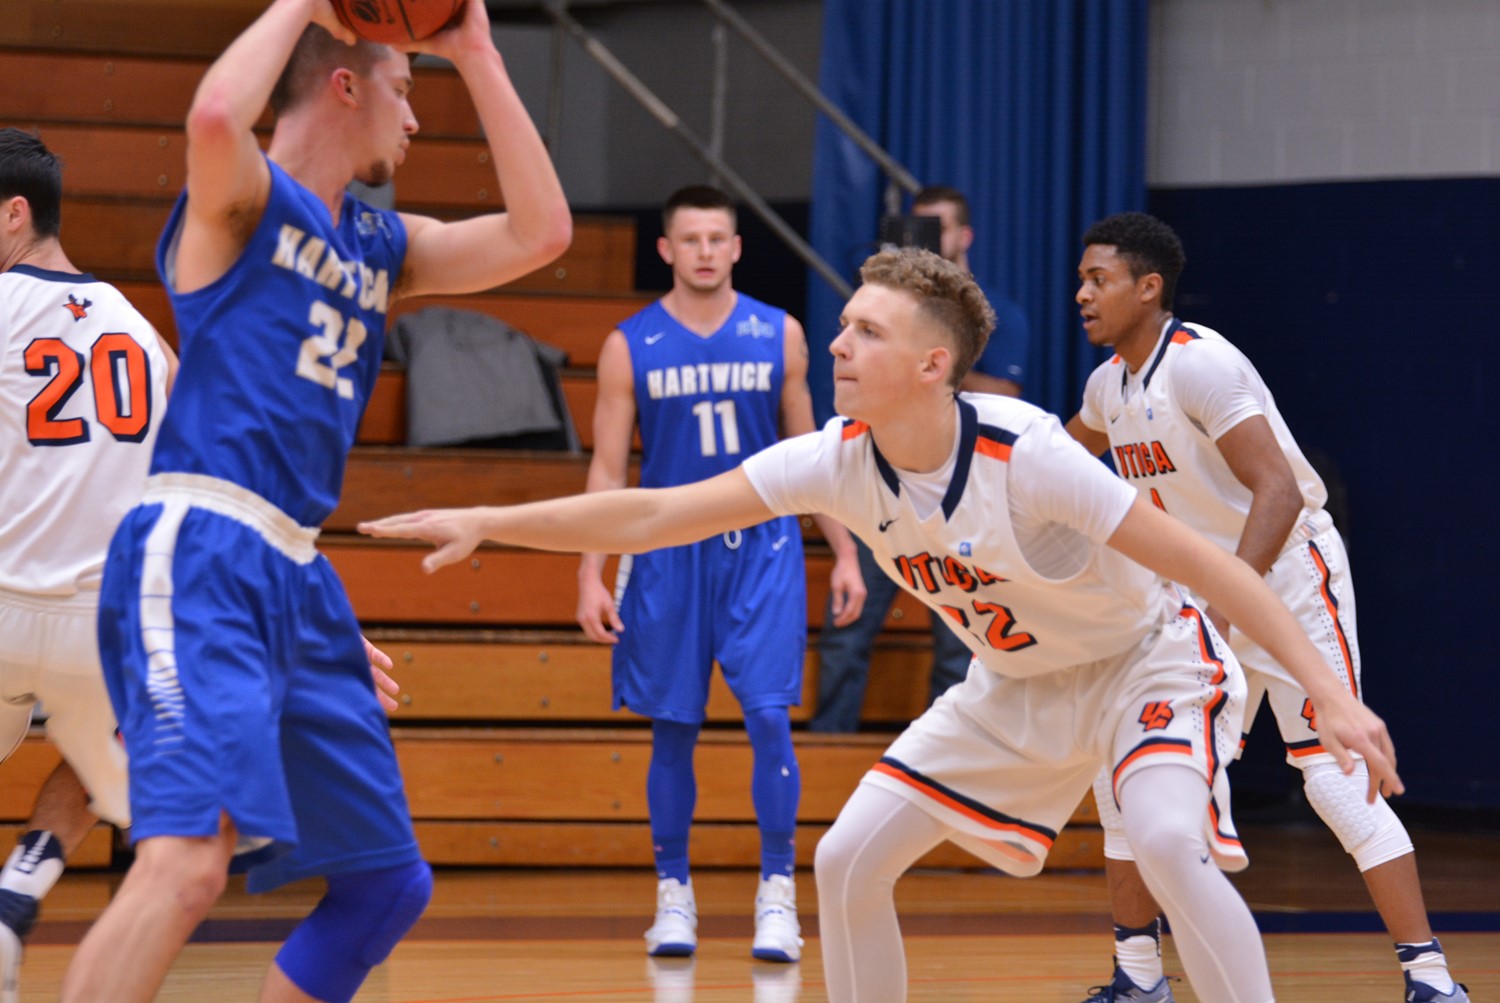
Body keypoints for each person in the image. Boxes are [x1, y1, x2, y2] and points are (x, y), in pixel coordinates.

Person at [361, 246, 1403, 1003]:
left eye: (866, 330)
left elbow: (1214, 570)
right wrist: (491, 518)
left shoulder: (1028, 451)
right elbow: (654, 510)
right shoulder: (836, 455)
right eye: (845, 323)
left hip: (1145, 659)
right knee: (846, 857)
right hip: (1014, 682)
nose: (842, 342)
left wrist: (1333, 693)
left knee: (1173, 843)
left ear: (932, 365)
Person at [57, 0, 571, 999]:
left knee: (386, 883)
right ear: (345, 82)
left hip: (295, 572)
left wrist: (473, 51)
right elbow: (214, 120)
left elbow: (542, 232)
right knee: (187, 863)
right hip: (200, 546)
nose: (419, 122)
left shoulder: (383, 246)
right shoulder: (243, 202)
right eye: (406, 90)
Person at [1064, 211, 1467, 1003]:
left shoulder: (1202, 365)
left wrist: (1225, 598)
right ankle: (1139, 975)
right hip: (1204, 593)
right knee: (1131, 774)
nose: (1081, 294)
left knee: (1335, 779)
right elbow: (1058, 458)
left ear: (1149, 288)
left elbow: (1278, 487)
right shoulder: (1108, 386)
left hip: (1287, 577)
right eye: (1080, 279)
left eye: (1097, 279)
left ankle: (1431, 978)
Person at [575, 183, 865, 963]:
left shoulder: (783, 335)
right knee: (674, 727)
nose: (705, 251)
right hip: (665, 554)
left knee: (768, 717)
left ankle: (778, 894)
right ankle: (674, 895)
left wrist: (842, 551)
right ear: (667, 249)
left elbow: (816, 460)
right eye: (690, 239)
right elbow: (608, 468)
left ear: (737, 247)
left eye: (718, 238)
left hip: (760, 551)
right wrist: (590, 571)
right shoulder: (627, 343)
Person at [0, 126, 174, 1003]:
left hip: (1, 603)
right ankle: (9, 907)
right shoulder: (144, 334)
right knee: (91, 751)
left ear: (14, 213)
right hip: (98, 621)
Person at [809, 184, 1030, 733]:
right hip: (882, 485)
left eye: (939, 229)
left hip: (967, 496)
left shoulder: (997, 311)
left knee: (961, 642)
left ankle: (945, 762)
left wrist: (918, 367)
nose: (929, 242)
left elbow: (1002, 399)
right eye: (918, 229)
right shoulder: (882, 313)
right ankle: (827, 754)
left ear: (964, 236)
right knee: (847, 630)